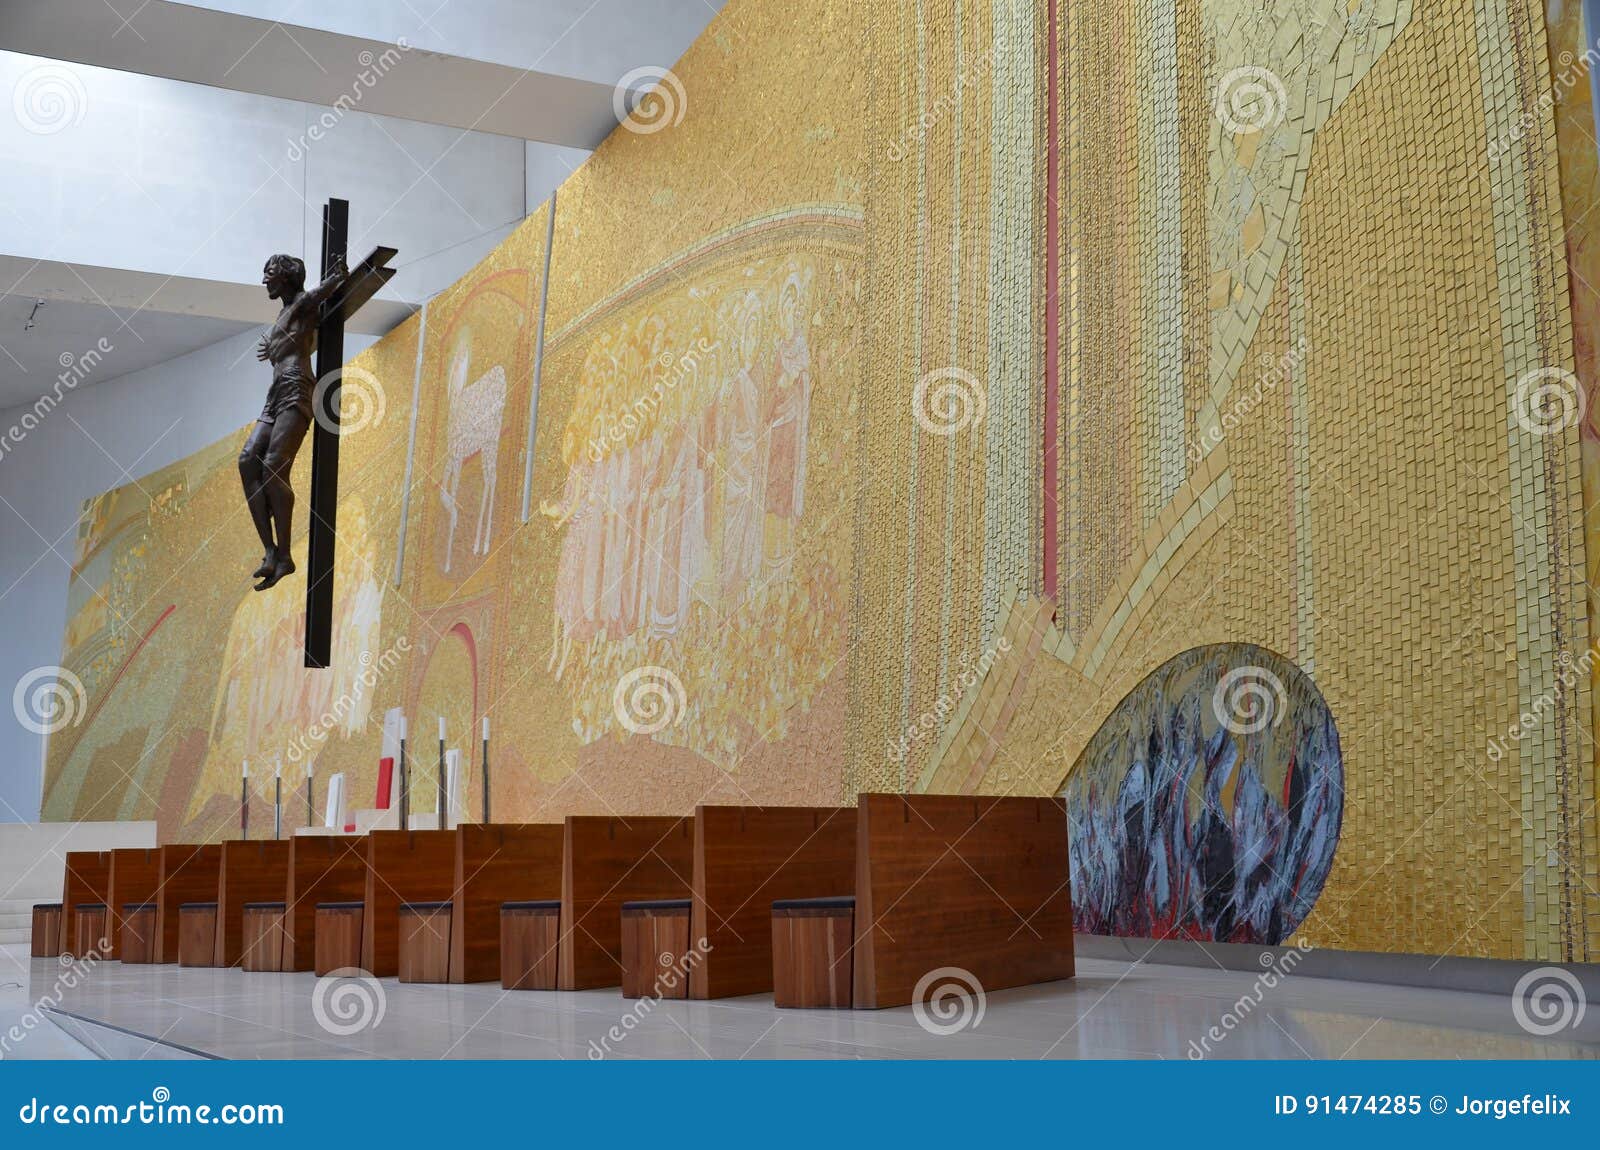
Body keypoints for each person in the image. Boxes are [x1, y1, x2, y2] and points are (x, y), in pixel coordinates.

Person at [239, 252, 350, 590]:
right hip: (275, 396)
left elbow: (318, 296)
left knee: (273, 467)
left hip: (296, 390)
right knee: (247, 461)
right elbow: (285, 340)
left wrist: (336, 276)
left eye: (269, 273)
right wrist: (273, 346)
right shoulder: (285, 313)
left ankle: (285, 553)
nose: (264, 280)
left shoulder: (302, 303)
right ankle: (271, 550)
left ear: (286, 276)